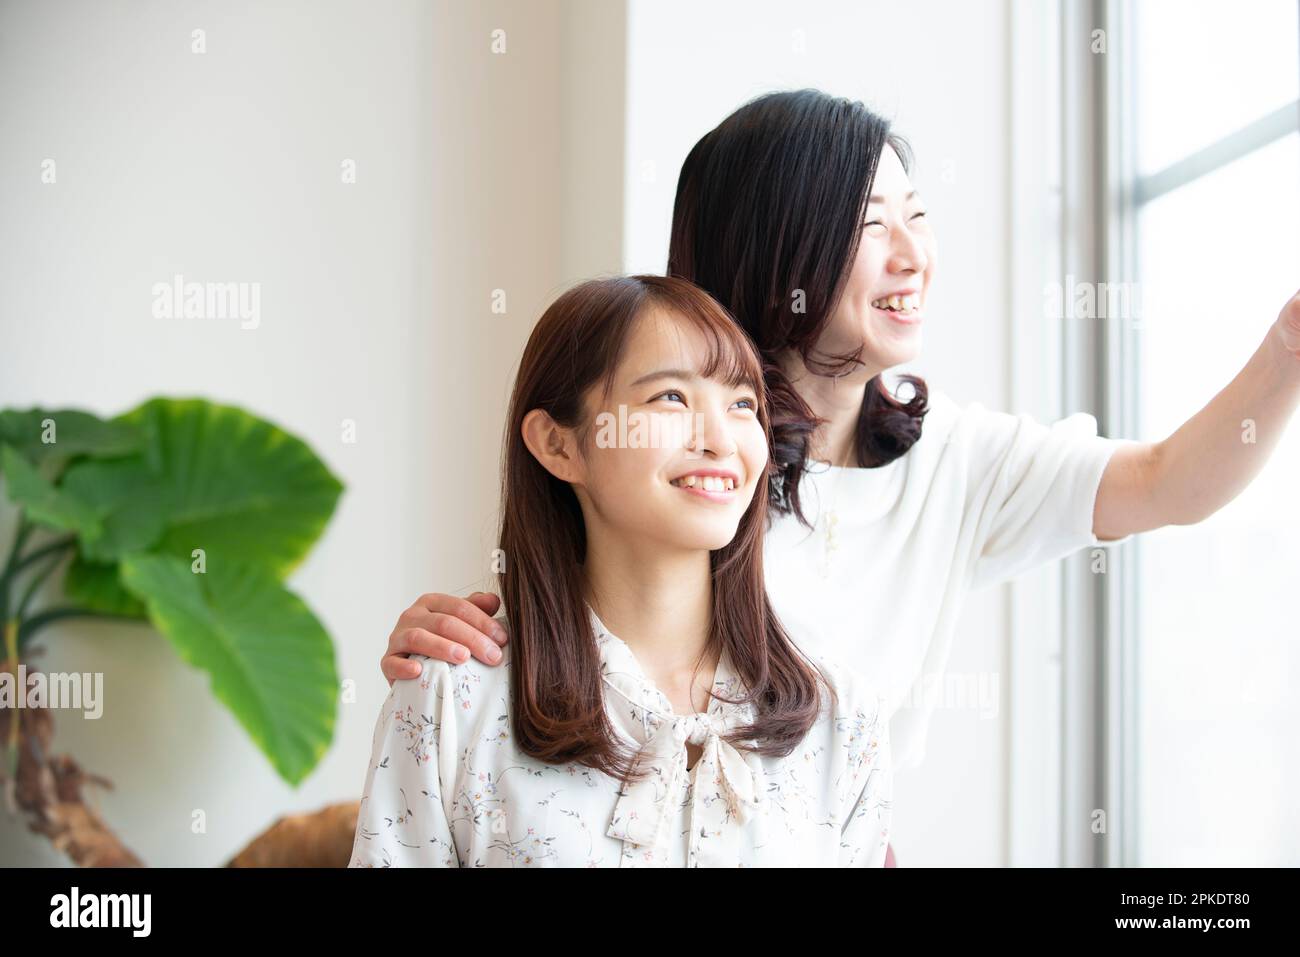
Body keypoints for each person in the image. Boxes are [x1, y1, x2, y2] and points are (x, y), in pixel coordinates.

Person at [377, 90, 1300, 862]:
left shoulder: (952, 460)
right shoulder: (675, 472)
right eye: (871, 226)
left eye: (918, 219)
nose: (914, 257)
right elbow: (547, 628)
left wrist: (1286, 347)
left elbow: (1173, 480)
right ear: (778, 248)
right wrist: (471, 647)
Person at [351, 275, 891, 867]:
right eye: (671, 399)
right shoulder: (451, 698)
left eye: (742, 404)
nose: (721, 440)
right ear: (560, 446)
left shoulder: (840, 718)